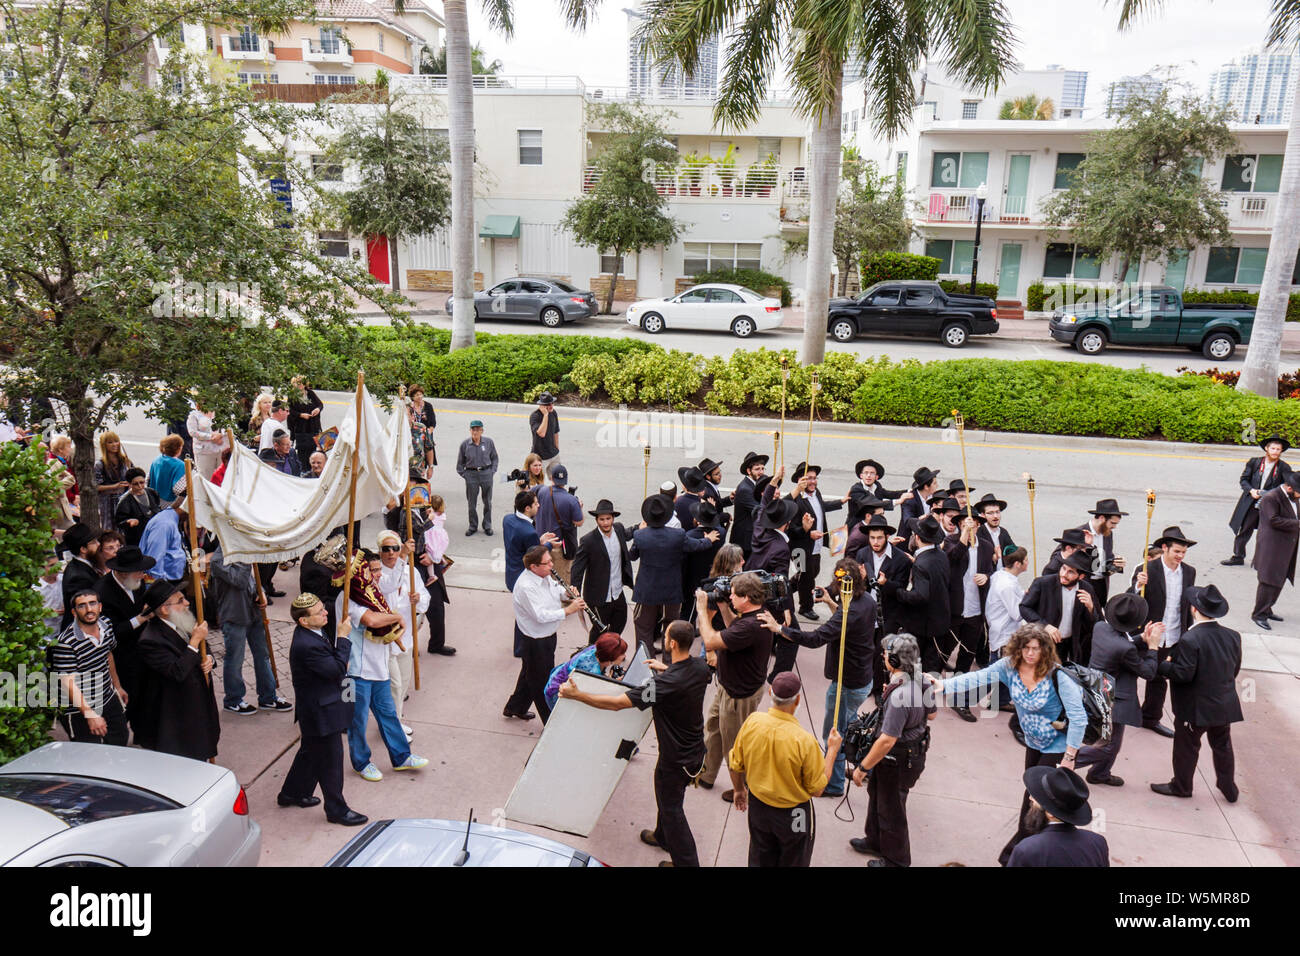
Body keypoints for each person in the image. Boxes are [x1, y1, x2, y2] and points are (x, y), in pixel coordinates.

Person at [932, 623, 1088, 866]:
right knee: (1033, 796)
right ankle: (1025, 849)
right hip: (1033, 742)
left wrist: (1069, 757)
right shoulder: (1009, 667)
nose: (1030, 654)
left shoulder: (1057, 676)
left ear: (1045, 650)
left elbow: (1079, 719)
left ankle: (1018, 854)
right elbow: (979, 677)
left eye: (1036, 649)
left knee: (1035, 799)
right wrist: (944, 685)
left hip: (1056, 746)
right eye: (1025, 648)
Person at [560, 620, 710, 867]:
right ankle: (663, 837)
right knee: (667, 798)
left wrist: (578, 696)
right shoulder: (699, 667)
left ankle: (686, 863)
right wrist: (665, 668)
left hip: (675, 760)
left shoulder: (661, 685)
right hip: (692, 751)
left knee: (672, 810)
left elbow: (617, 703)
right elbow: (684, 676)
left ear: (671, 643)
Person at [761, 558, 876, 797]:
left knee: (834, 735)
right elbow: (844, 621)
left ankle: (832, 784)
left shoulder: (851, 612)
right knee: (846, 728)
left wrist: (778, 629)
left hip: (847, 684)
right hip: (862, 678)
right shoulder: (866, 601)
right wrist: (830, 602)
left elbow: (816, 639)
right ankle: (850, 767)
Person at [317, 537, 429, 782]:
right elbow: (372, 621)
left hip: (378, 668)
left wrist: (394, 620)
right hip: (355, 671)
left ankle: (401, 757)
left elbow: (385, 613)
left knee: (389, 714)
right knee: (356, 720)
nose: (377, 576)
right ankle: (361, 762)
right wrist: (396, 618)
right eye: (371, 571)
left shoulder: (374, 594)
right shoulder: (346, 600)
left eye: (377, 571)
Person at [728, 671, 842, 867]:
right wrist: (832, 751)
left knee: (759, 856)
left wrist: (739, 790)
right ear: (797, 700)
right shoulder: (804, 741)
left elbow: (735, 764)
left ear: (771, 692)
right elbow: (817, 789)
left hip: (759, 807)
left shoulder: (752, 722)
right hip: (794, 814)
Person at [278, 593, 367, 826]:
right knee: (331, 761)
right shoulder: (307, 645)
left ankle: (292, 793)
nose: (326, 612)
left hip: (319, 707)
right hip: (320, 713)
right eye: (319, 612)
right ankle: (336, 809)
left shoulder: (313, 632)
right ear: (303, 621)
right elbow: (337, 669)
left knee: (309, 753)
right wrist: (343, 638)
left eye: (323, 608)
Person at [849, 633, 935, 867]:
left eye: (886, 654)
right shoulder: (921, 680)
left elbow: (887, 740)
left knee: (892, 810)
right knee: (878, 796)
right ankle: (875, 840)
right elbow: (933, 714)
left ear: (895, 660)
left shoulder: (900, 695)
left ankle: (896, 860)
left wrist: (862, 768)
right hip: (910, 754)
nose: (883, 657)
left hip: (897, 759)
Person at [1151, 584, 1243, 802]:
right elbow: (1234, 669)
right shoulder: (1233, 636)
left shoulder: (1190, 639)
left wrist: (1164, 665)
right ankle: (1228, 786)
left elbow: (1183, 675)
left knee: (1187, 748)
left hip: (1194, 708)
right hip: (1224, 704)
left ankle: (1182, 786)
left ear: (1193, 609)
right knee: (1222, 746)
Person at [695, 571, 775, 799]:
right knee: (713, 728)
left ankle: (741, 788)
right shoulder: (753, 615)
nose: (729, 596)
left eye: (733, 595)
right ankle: (707, 774)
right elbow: (733, 629)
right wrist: (722, 607)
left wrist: (703, 611)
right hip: (729, 685)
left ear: (746, 598)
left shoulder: (750, 626)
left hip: (739, 695)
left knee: (734, 745)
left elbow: (711, 640)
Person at [1071, 593, 1162, 788]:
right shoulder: (1124, 649)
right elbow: (1148, 672)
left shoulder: (1100, 627)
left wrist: (1141, 638)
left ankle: (1100, 773)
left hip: (1095, 689)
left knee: (1109, 740)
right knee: (1109, 746)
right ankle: (1065, 763)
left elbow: (1123, 643)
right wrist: (1153, 647)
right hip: (1112, 698)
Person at [133, 581, 221, 762]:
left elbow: (204, 645)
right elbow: (176, 672)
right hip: (176, 715)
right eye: (180, 600)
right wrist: (194, 642)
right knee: (186, 758)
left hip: (198, 703)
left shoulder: (181, 620)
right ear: (165, 609)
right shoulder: (150, 640)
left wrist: (209, 659)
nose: (187, 603)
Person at [504, 545, 586, 723]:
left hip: (547, 636)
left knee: (529, 674)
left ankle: (515, 707)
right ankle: (550, 721)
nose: (551, 565)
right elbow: (540, 616)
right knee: (542, 681)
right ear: (534, 567)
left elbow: (556, 590)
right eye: (547, 562)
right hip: (535, 640)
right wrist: (569, 610)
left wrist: (567, 593)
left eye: (551, 561)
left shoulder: (545, 575)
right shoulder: (526, 587)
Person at [1131, 525, 1197, 738]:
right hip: (1148, 633)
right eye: (1177, 551)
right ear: (1165, 548)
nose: (1180, 556)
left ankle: (1150, 718)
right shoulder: (1147, 569)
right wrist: (1136, 585)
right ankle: (1124, 712)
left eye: (1184, 552)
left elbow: (1185, 603)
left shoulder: (1189, 572)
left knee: (1159, 678)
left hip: (1175, 634)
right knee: (1131, 673)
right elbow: (1131, 601)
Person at [210, 544, 291, 715]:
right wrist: (248, 559)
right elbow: (239, 580)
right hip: (234, 615)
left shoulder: (246, 552)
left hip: (253, 612)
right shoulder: (218, 560)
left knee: (263, 655)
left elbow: (252, 582)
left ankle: (268, 697)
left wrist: (260, 592)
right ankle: (233, 699)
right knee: (235, 659)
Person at [629, 494, 716, 653]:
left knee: (644, 627)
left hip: (647, 590)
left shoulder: (641, 535)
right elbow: (696, 545)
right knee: (671, 628)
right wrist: (708, 540)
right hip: (671, 589)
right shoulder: (678, 535)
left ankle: (645, 663)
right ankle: (670, 662)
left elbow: (632, 555)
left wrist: (639, 533)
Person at [52, 590, 129, 746]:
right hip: (77, 709)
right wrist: (90, 715)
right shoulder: (65, 643)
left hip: (107, 697)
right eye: (82, 606)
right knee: (90, 754)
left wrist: (118, 686)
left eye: (92, 603)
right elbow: (68, 683)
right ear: (74, 612)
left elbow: (108, 655)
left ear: (100, 607)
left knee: (120, 741)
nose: (89, 610)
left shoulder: (106, 625)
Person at [95, 545, 155, 734]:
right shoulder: (102, 593)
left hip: (141, 651)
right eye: (138, 571)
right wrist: (141, 618)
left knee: (143, 696)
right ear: (122, 572)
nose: (142, 575)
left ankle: (142, 732)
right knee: (125, 701)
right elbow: (109, 631)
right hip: (120, 656)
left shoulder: (136, 583)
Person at [376, 530, 430, 740]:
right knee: (394, 686)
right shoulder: (377, 572)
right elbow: (389, 584)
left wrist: (418, 600)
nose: (391, 553)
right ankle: (391, 727)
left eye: (395, 548)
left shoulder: (411, 572)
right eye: (385, 549)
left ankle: (395, 719)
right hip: (385, 640)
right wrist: (404, 557)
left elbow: (425, 597)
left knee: (403, 683)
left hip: (406, 637)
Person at [883, 515, 950, 674]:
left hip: (925, 626)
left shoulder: (921, 564)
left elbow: (920, 596)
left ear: (918, 537)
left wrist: (898, 592)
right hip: (940, 622)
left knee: (918, 669)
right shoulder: (940, 555)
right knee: (931, 670)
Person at [1007, 766, 1109, 867]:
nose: (1030, 798)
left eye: (1037, 798)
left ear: (1051, 813)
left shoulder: (1027, 850)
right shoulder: (1098, 842)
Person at [788, 462, 846, 621]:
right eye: (809, 478)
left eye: (815, 478)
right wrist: (808, 532)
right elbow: (791, 529)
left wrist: (841, 502)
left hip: (816, 545)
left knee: (811, 572)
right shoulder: (795, 501)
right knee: (806, 576)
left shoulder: (816, 492)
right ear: (800, 481)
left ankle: (786, 589)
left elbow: (821, 507)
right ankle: (805, 607)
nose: (813, 482)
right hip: (799, 548)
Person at [1018, 550, 1097, 664]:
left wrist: (1090, 608)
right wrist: (1045, 626)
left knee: (1058, 677)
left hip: (1068, 645)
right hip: (1042, 641)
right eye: (1063, 568)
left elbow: (1090, 625)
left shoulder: (1087, 589)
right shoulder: (1043, 583)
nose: (1064, 574)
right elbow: (1024, 608)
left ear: (1081, 576)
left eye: (1070, 572)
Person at [1224, 433, 1292, 565]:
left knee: (1267, 533)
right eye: (1273, 448)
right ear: (1267, 448)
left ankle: (1263, 560)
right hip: (1252, 502)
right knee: (1244, 530)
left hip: (1270, 504)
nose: (1275, 452)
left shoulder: (1284, 467)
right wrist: (1251, 490)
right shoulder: (1254, 462)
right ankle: (1238, 556)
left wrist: (1272, 494)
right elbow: (1244, 480)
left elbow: (1286, 486)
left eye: (1278, 449)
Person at [570, 499, 633, 641]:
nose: (605, 523)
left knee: (620, 623)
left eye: (608, 519)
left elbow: (629, 533)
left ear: (613, 518)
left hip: (617, 592)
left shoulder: (619, 529)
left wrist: (644, 526)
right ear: (597, 520)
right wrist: (575, 588)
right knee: (600, 629)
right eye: (602, 519)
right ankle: (592, 655)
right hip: (597, 596)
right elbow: (577, 567)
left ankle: (611, 652)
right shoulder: (588, 541)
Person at [1250, 470, 1300, 629]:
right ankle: (1259, 614)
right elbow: (1274, 520)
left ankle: (1268, 608)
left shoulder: (1292, 498)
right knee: (1268, 581)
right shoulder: (1272, 498)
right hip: (1272, 548)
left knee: (1279, 579)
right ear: (1290, 488)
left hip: (1286, 547)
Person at [544, 632, 628, 710]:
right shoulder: (591, 672)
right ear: (610, 659)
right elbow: (591, 697)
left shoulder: (597, 650)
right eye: (622, 654)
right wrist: (611, 682)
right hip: (557, 694)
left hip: (556, 681)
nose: (624, 656)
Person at [420, 493, 456, 656]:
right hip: (415, 564)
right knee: (411, 609)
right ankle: (407, 644)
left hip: (431, 565)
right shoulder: (403, 511)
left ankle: (436, 643)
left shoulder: (428, 512)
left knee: (436, 607)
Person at [535, 464, 583, 583]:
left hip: (540, 544)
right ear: (565, 480)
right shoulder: (571, 500)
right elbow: (579, 522)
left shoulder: (541, 490)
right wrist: (579, 507)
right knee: (560, 584)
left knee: (541, 583)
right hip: (559, 549)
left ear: (551, 478)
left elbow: (526, 494)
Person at [1077, 498, 1128, 605]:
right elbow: (1060, 556)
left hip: (1101, 585)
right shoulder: (1079, 533)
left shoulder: (1108, 534)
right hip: (1082, 585)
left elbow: (1105, 560)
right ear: (1101, 518)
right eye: (1113, 523)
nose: (1114, 527)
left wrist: (1117, 564)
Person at [456, 419, 498, 537]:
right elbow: (460, 464)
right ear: (470, 430)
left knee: (487, 502)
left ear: (482, 431)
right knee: (471, 503)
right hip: (471, 475)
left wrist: (492, 471)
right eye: (473, 429)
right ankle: (473, 526)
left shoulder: (489, 442)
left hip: (486, 474)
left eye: (478, 429)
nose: (475, 432)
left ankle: (487, 526)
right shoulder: (465, 445)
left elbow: (495, 458)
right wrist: (466, 475)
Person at [986, 545, 1028, 662]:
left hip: (999, 633)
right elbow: (1017, 615)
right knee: (999, 677)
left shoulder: (1000, 574)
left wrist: (1023, 593)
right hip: (1005, 639)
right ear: (1017, 564)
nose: (1027, 562)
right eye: (1026, 560)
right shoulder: (1007, 586)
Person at [58, 523, 100, 632]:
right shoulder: (79, 578)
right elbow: (86, 613)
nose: (98, 544)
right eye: (94, 542)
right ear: (83, 549)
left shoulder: (84, 566)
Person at [730, 451, 769, 557]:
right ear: (748, 471)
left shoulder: (755, 485)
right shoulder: (745, 489)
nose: (761, 472)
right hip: (744, 541)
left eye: (762, 468)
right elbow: (759, 511)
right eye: (757, 469)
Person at [93, 431, 133, 530]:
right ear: (104, 445)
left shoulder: (125, 461)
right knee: (109, 529)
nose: (115, 444)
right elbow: (96, 486)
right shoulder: (100, 464)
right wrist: (115, 486)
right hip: (107, 502)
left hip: (124, 499)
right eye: (110, 442)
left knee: (125, 528)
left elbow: (135, 477)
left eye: (116, 441)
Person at [139, 503, 187, 584]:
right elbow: (154, 560)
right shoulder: (164, 524)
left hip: (170, 580)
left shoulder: (172, 520)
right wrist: (160, 588)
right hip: (163, 583)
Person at [289, 376, 325, 472]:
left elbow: (320, 404)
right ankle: (304, 473)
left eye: (302, 383)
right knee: (303, 456)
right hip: (301, 430)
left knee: (313, 453)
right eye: (298, 383)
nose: (300, 385)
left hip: (313, 428)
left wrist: (317, 409)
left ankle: (313, 472)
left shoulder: (310, 393)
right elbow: (290, 411)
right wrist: (301, 415)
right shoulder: (292, 396)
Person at [187, 399, 227, 480]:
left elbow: (228, 426)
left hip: (220, 449)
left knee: (222, 477)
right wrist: (210, 437)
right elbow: (192, 432)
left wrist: (221, 435)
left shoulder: (219, 413)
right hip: (204, 451)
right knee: (205, 477)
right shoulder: (194, 415)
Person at [147, 434, 186, 504]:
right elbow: (178, 489)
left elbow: (148, 479)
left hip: (153, 498)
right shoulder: (180, 465)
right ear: (179, 449)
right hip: (169, 501)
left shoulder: (157, 460)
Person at [530, 392, 560, 465]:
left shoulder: (553, 413)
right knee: (539, 477)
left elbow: (556, 432)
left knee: (556, 476)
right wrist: (545, 415)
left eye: (552, 403)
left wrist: (557, 449)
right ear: (541, 406)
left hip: (554, 455)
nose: (551, 406)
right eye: (548, 404)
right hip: (540, 457)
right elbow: (541, 433)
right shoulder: (535, 416)